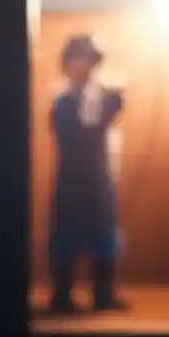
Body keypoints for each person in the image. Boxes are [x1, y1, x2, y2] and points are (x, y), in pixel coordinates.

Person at [49, 34, 128, 313]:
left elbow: (108, 117)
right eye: (79, 59)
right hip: (72, 178)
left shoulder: (104, 95)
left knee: (105, 236)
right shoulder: (62, 100)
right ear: (68, 64)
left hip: (100, 178)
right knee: (66, 239)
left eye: (90, 60)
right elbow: (76, 132)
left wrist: (109, 99)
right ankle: (61, 297)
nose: (85, 67)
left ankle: (103, 295)